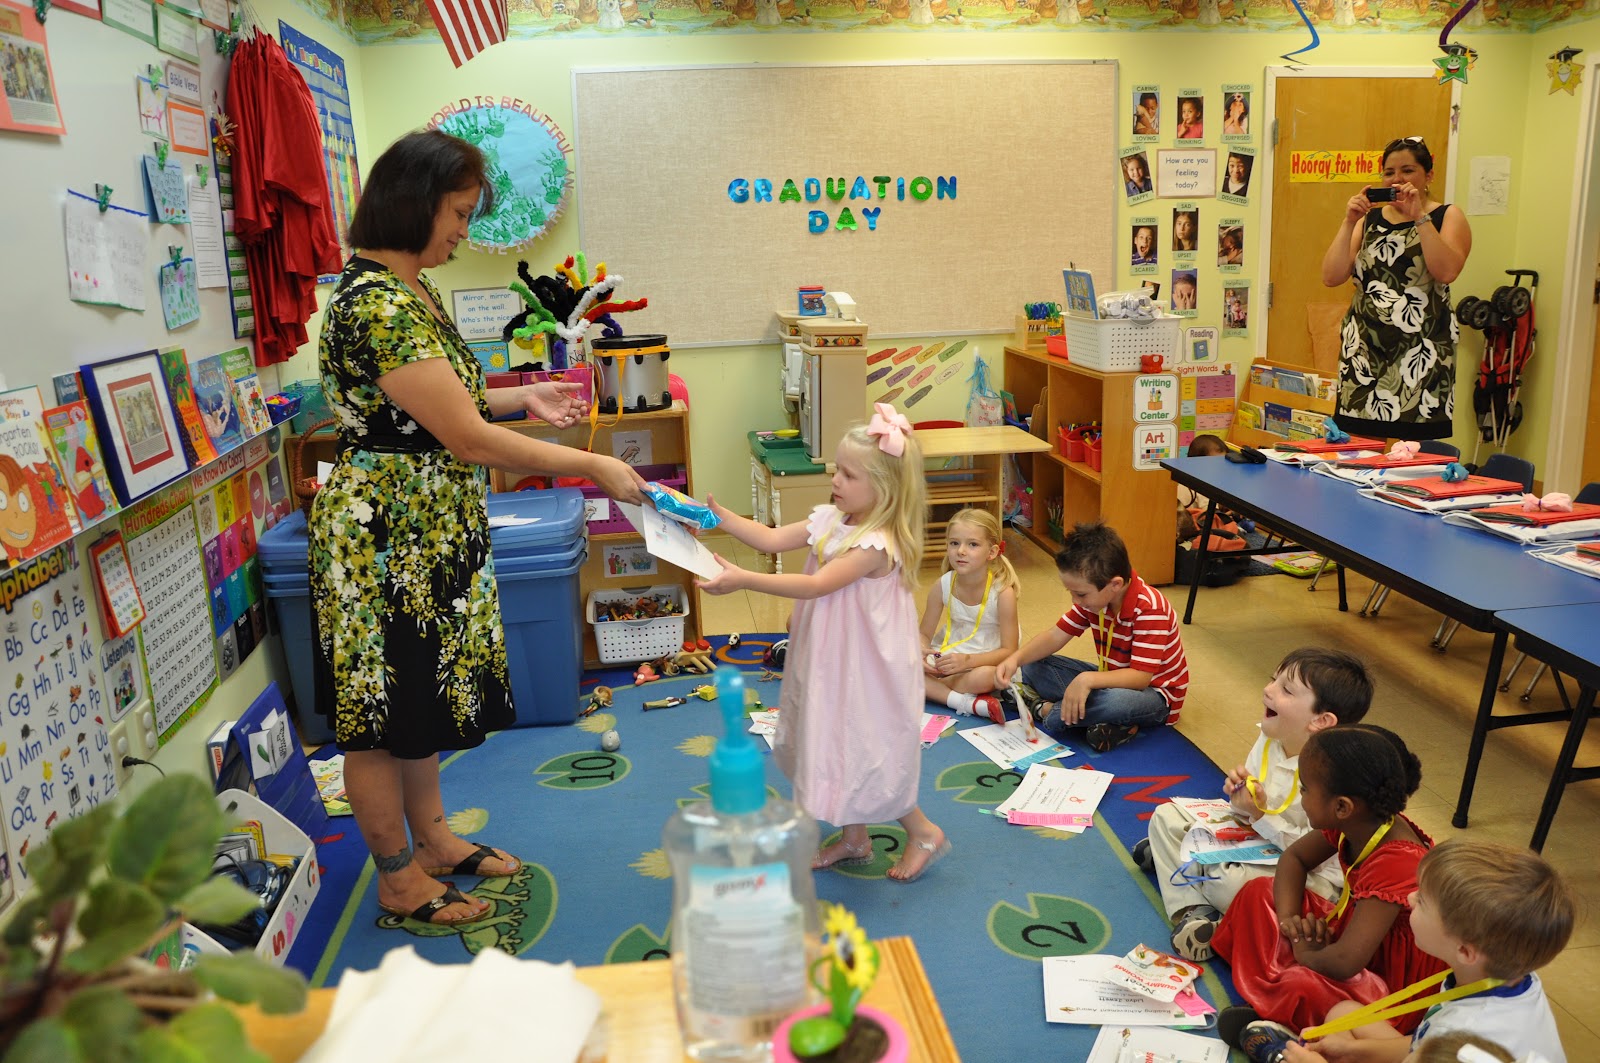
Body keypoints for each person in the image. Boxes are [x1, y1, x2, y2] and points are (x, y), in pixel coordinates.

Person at [310, 130, 647, 927]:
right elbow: (462, 436)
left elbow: (439, 402)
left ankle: (433, 839)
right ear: (414, 202)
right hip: (383, 538)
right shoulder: (376, 303)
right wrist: (590, 465)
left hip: (428, 524)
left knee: (419, 700)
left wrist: (520, 395)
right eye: (458, 213)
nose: (464, 230)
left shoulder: (409, 287)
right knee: (380, 711)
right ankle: (396, 878)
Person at [698, 405, 950, 882]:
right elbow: (772, 539)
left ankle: (923, 831)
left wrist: (743, 580)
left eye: (849, 475)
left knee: (867, 744)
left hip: (866, 667)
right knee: (837, 739)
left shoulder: (876, 544)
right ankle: (856, 837)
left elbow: (816, 586)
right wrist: (722, 518)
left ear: (884, 489)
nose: (836, 480)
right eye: (837, 469)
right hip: (835, 659)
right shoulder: (833, 518)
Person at [1134, 649, 1374, 963]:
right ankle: (1194, 910)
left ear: (1322, 720)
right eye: (1273, 680)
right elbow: (1245, 808)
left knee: (1231, 882)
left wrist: (1258, 815)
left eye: (1286, 690)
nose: (1268, 690)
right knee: (1165, 816)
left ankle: (1186, 869)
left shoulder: (1339, 779)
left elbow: (1312, 858)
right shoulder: (1272, 736)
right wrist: (1239, 797)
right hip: (1257, 841)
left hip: (1310, 876)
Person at [1213, 725, 1444, 1043]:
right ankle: (1275, 993)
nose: (1301, 796)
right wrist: (1290, 922)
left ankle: (1278, 1006)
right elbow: (1294, 859)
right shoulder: (1358, 820)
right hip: (1350, 940)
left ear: (1342, 806)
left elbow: (1347, 962)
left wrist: (1306, 954)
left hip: (1387, 985)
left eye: (1304, 789)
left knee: (1302, 983)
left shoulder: (1397, 859)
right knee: (1258, 891)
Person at [1256, 840, 1574, 1063]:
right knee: (1343, 1014)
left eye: (1421, 901)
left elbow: (1437, 1041)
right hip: (1436, 1045)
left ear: (1465, 950)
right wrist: (1355, 1052)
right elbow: (1422, 1043)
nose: (1408, 900)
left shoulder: (1466, 1035)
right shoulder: (1507, 976)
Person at [1320, 136, 1472, 442]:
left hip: (1423, 352)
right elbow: (1331, 276)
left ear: (1428, 175)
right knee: (1359, 451)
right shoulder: (1369, 220)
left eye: (1407, 170)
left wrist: (1419, 217)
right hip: (1365, 351)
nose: (1397, 179)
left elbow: (1447, 271)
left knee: (1415, 456)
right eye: (1389, 173)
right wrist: (1349, 222)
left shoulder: (1447, 216)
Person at [995, 521, 1189, 753]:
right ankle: (1105, 723)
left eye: (1080, 594)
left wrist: (1087, 680)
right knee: (1034, 665)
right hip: (1109, 678)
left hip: (1155, 696)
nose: (1076, 601)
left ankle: (1045, 711)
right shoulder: (1095, 602)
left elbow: (1140, 678)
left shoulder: (1150, 609)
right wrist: (1015, 660)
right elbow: (1055, 635)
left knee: (1116, 702)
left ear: (1115, 584)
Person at [920, 508, 1019, 725]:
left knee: (988, 676)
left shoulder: (1003, 592)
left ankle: (938, 689)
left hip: (984, 657)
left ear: (992, 552)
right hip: (949, 656)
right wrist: (921, 652)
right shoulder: (943, 584)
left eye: (972, 544)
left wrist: (967, 662)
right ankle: (964, 702)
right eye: (954, 543)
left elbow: (1009, 650)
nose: (961, 551)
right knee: (902, 664)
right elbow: (924, 633)